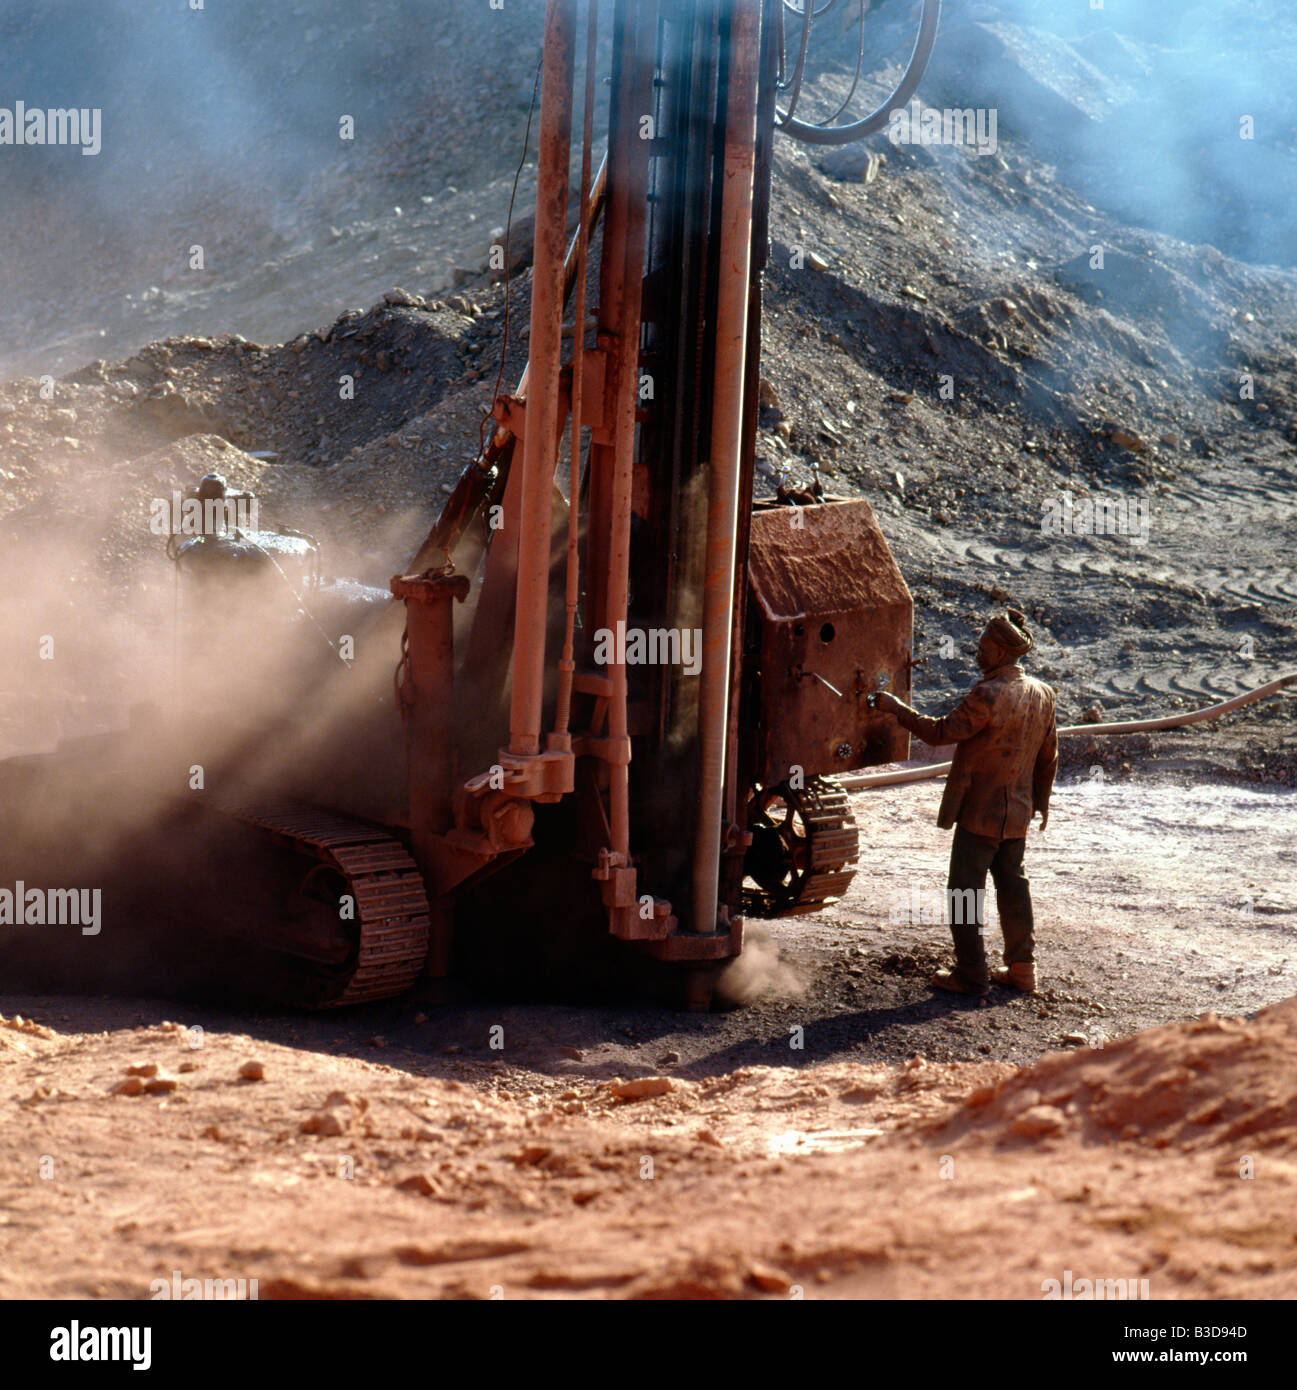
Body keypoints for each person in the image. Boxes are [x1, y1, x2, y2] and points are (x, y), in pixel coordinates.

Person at [873, 609, 1057, 997]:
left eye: (984, 647)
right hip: (1018, 814)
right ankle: (1023, 969)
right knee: (1013, 886)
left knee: (963, 891)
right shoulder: (1043, 693)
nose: (977, 652)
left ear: (1002, 653)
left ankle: (972, 974)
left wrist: (894, 709)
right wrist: (1041, 804)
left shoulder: (988, 694)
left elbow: (940, 732)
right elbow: (1048, 756)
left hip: (980, 815)